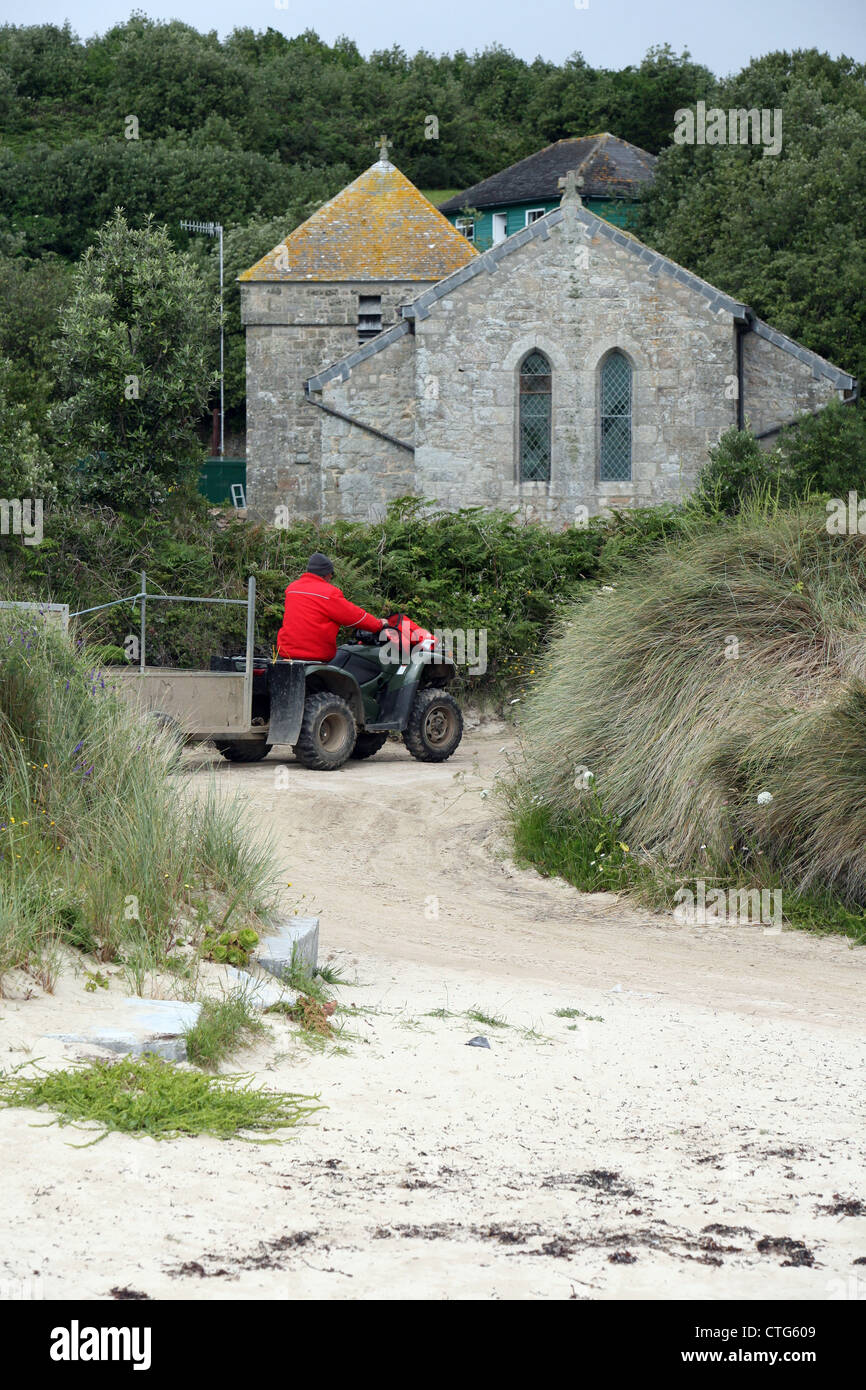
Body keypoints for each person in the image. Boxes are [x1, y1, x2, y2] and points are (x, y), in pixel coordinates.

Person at [276, 553, 389, 662]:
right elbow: (354, 616)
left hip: (286, 654)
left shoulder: (292, 589)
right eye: (332, 574)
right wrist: (379, 624)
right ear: (326, 574)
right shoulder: (328, 593)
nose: (331, 577)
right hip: (314, 656)